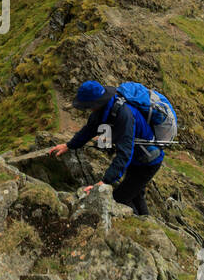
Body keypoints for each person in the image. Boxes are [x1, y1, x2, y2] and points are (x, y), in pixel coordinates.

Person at [49, 80, 165, 217]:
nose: (86, 109)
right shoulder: (103, 110)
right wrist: (69, 145)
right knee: (135, 194)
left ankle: (143, 226)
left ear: (94, 103)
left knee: (120, 199)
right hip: (137, 158)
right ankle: (146, 221)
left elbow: (124, 153)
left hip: (148, 162)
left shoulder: (124, 115)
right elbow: (89, 130)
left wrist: (104, 182)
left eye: (86, 106)